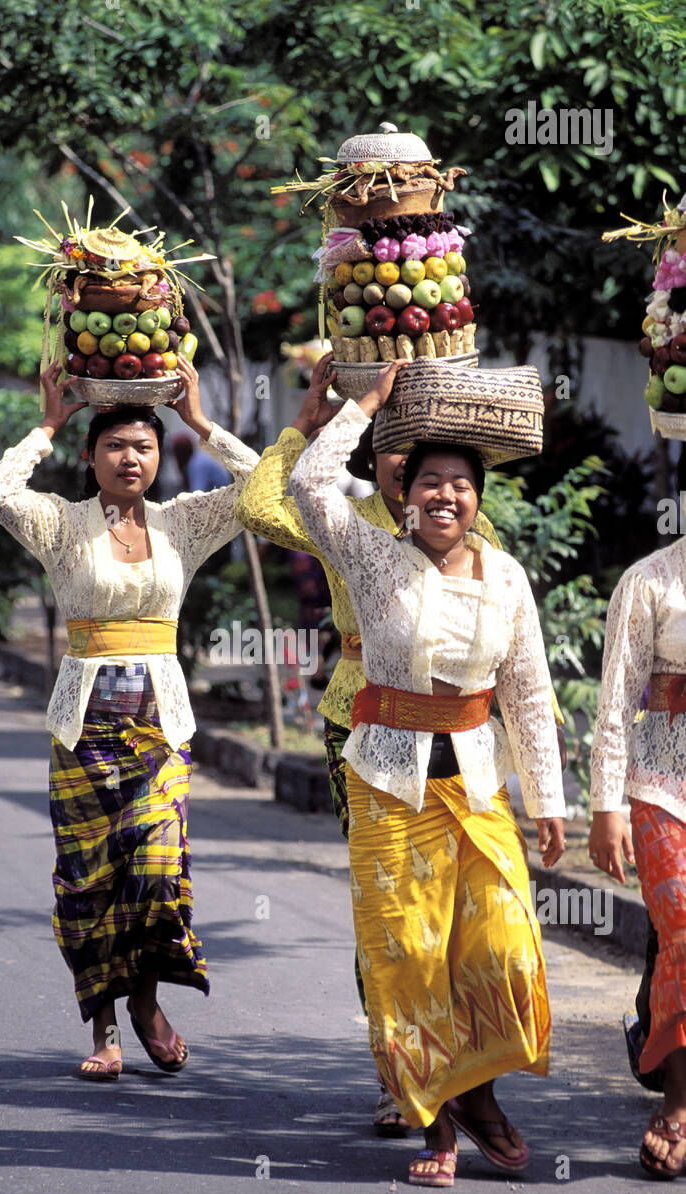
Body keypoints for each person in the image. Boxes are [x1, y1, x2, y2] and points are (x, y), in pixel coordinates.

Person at [235, 354, 559, 1138]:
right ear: (402, 496)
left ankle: (477, 1089)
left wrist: (550, 802)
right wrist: (364, 405)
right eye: (427, 482)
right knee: (407, 955)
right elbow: (310, 489)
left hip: (475, 787)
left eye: (459, 483)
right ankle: (434, 1117)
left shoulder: (506, 576)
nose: (443, 495)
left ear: (478, 498)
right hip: (385, 780)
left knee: (505, 948)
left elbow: (524, 692)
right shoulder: (374, 557)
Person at [0, 356, 262, 1081]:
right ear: (91, 456)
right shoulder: (61, 525)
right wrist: (47, 422)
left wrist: (201, 422)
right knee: (90, 881)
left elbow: (265, 490)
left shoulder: (183, 525)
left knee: (157, 872)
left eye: (142, 445)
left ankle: (145, 1003)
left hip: (161, 731)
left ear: (156, 455)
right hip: (82, 732)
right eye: (114, 445)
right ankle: (104, 1030)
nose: (129, 458)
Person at [588, 535, 686, 1178]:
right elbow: (618, 700)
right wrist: (605, 806)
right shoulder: (650, 580)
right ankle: (679, 1102)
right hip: (660, 784)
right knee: (682, 923)